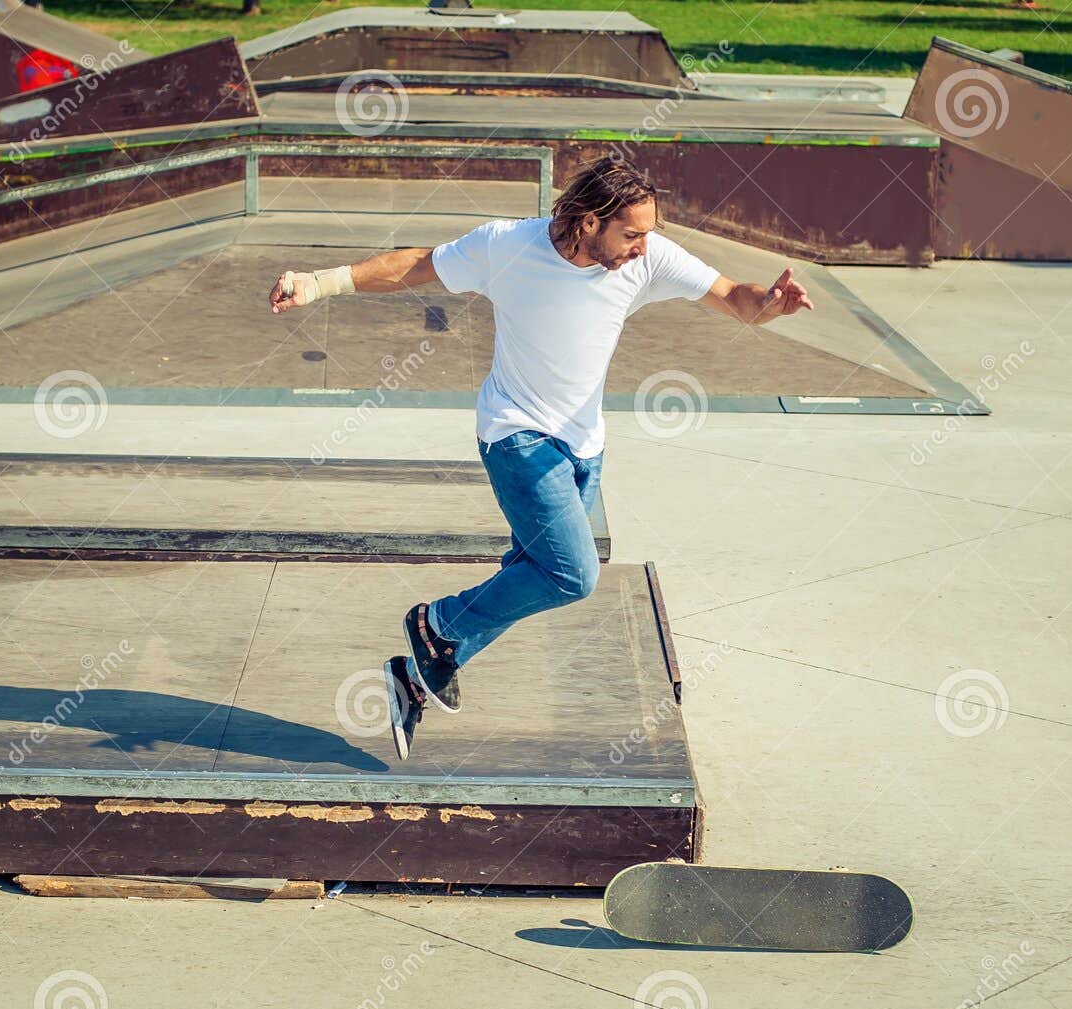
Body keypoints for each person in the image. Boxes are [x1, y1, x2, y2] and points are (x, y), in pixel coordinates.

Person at [268, 157, 814, 757]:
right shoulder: (507, 245)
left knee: (528, 576)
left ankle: (414, 676)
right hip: (516, 436)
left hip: (584, 447)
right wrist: (319, 282)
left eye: (648, 233)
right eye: (631, 234)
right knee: (572, 575)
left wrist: (773, 304)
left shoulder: (648, 257)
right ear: (586, 221)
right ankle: (435, 624)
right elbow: (416, 267)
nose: (643, 247)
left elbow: (737, 298)